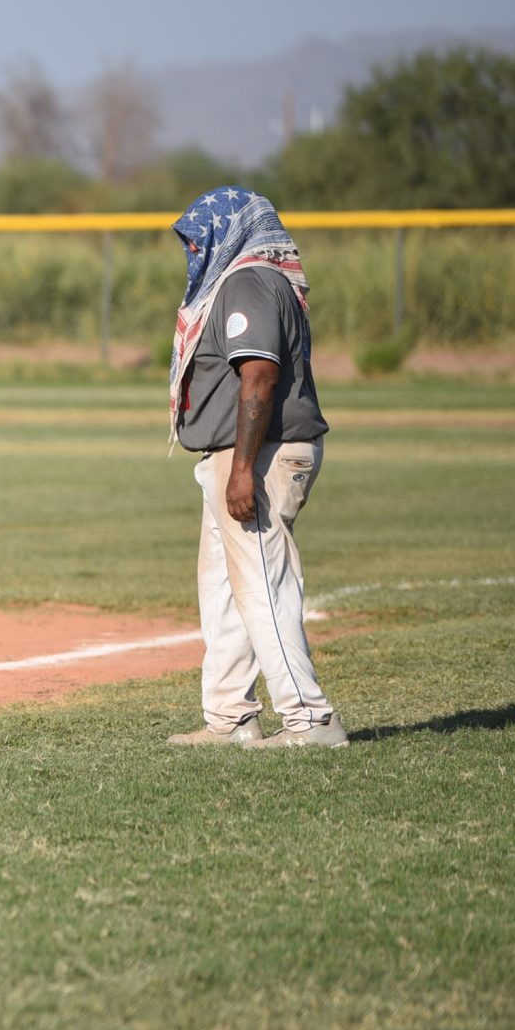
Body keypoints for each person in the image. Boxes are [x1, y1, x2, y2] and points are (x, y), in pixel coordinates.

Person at [164, 186, 346, 749]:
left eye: (201, 237)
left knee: (262, 588)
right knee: (223, 590)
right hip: (236, 457)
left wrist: (242, 469)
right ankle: (231, 718)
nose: (194, 249)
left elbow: (259, 377)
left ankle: (310, 720)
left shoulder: (247, 281)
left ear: (230, 230)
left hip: (258, 456)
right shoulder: (248, 279)